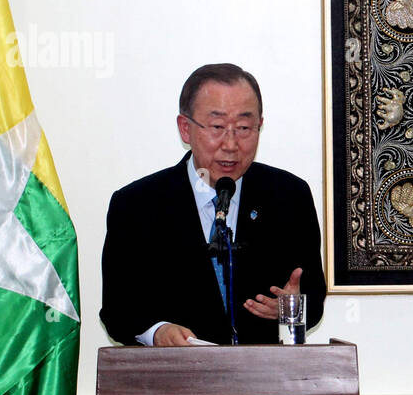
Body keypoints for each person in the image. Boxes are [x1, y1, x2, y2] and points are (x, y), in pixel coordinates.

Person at [100, 63, 325, 346]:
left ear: (260, 126)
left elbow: (313, 302)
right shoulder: (137, 205)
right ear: (185, 129)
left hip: (265, 382)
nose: (231, 144)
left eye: (244, 127)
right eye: (217, 127)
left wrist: (292, 309)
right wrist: (158, 332)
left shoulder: (289, 197)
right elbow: (117, 311)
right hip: (177, 382)